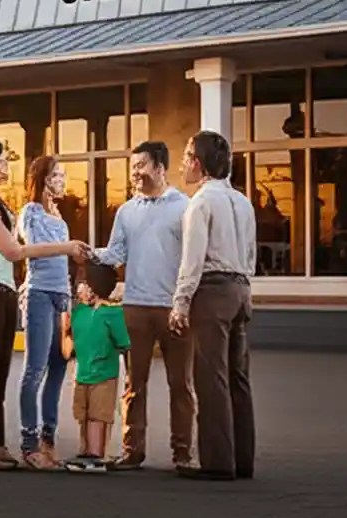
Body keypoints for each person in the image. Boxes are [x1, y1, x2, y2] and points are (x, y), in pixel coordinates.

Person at [0, 139, 89, 472]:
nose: (6, 168)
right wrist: (65, 247)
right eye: (1, 162)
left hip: (3, 289)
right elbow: (14, 252)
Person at [90, 140, 196, 472]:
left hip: (174, 308)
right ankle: (131, 451)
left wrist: (186, 301)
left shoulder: (185, 207)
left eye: (141, 165)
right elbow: (115, 254)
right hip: (134, 306)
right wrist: (86, 252)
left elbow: (194, 258)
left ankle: (182, 453)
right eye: (133, 166)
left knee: (181, 384)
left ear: (161, 168)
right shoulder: (126, 211)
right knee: (134, 384)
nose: (135, 172)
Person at [169, 130, 258, 481]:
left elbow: (192, 260)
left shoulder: (201, 203)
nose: (183, 164)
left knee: (211, 377)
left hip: (213, 291)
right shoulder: (243, 201)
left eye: (187, 156)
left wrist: (180, 304)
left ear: (198, 163)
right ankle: (243, 459)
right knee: (238, 376)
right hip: (241, 289)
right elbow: (249, 255)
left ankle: (218, 462)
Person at [16, 155, 91, 470]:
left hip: (62, 297)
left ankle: (49, 437)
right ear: (44, 178)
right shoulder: (30, 212)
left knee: (59, 369)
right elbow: (32, 247)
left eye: (63, 175)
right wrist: (68, 247)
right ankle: (29, 443)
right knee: (35, 370)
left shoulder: (60, 220)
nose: (62, 180)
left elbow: (64, 259)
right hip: (39, 296)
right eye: (58, 175)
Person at [60, 261, 131, 473]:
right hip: (82, 374)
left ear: (94, 287)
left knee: (99, 415)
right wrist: (65, 329)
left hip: (104, 374)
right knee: (83, 414)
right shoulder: (78, 313)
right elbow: (68, 350)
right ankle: (85, 450)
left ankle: (96, 453)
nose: (78, 288)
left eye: (82, 283)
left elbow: (124, 342)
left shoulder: (113, 313)